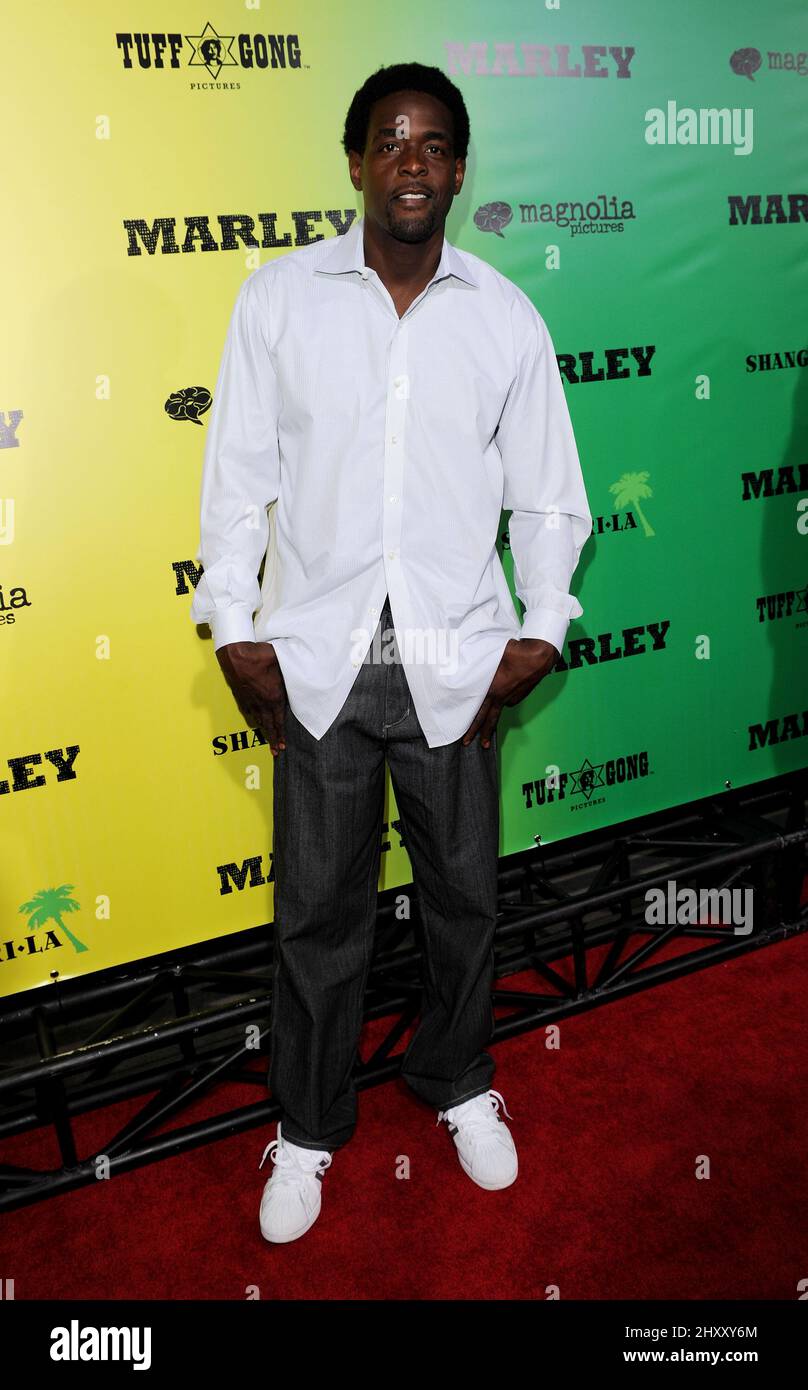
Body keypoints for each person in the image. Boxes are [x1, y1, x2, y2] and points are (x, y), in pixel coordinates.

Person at [190, 61, 592, 1245]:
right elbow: (237, 481)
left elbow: (551, 497)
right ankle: (308, 1126)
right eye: (388, 141)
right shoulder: (278, 301)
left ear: (460, 169)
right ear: (355, 160)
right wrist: (235, 625)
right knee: (318, 909)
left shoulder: (505, 314)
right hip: (316, 655)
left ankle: (457, 1080)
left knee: (464, 896)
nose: (409, 163)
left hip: (453, 658)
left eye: (432, 145)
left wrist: (538, 629)